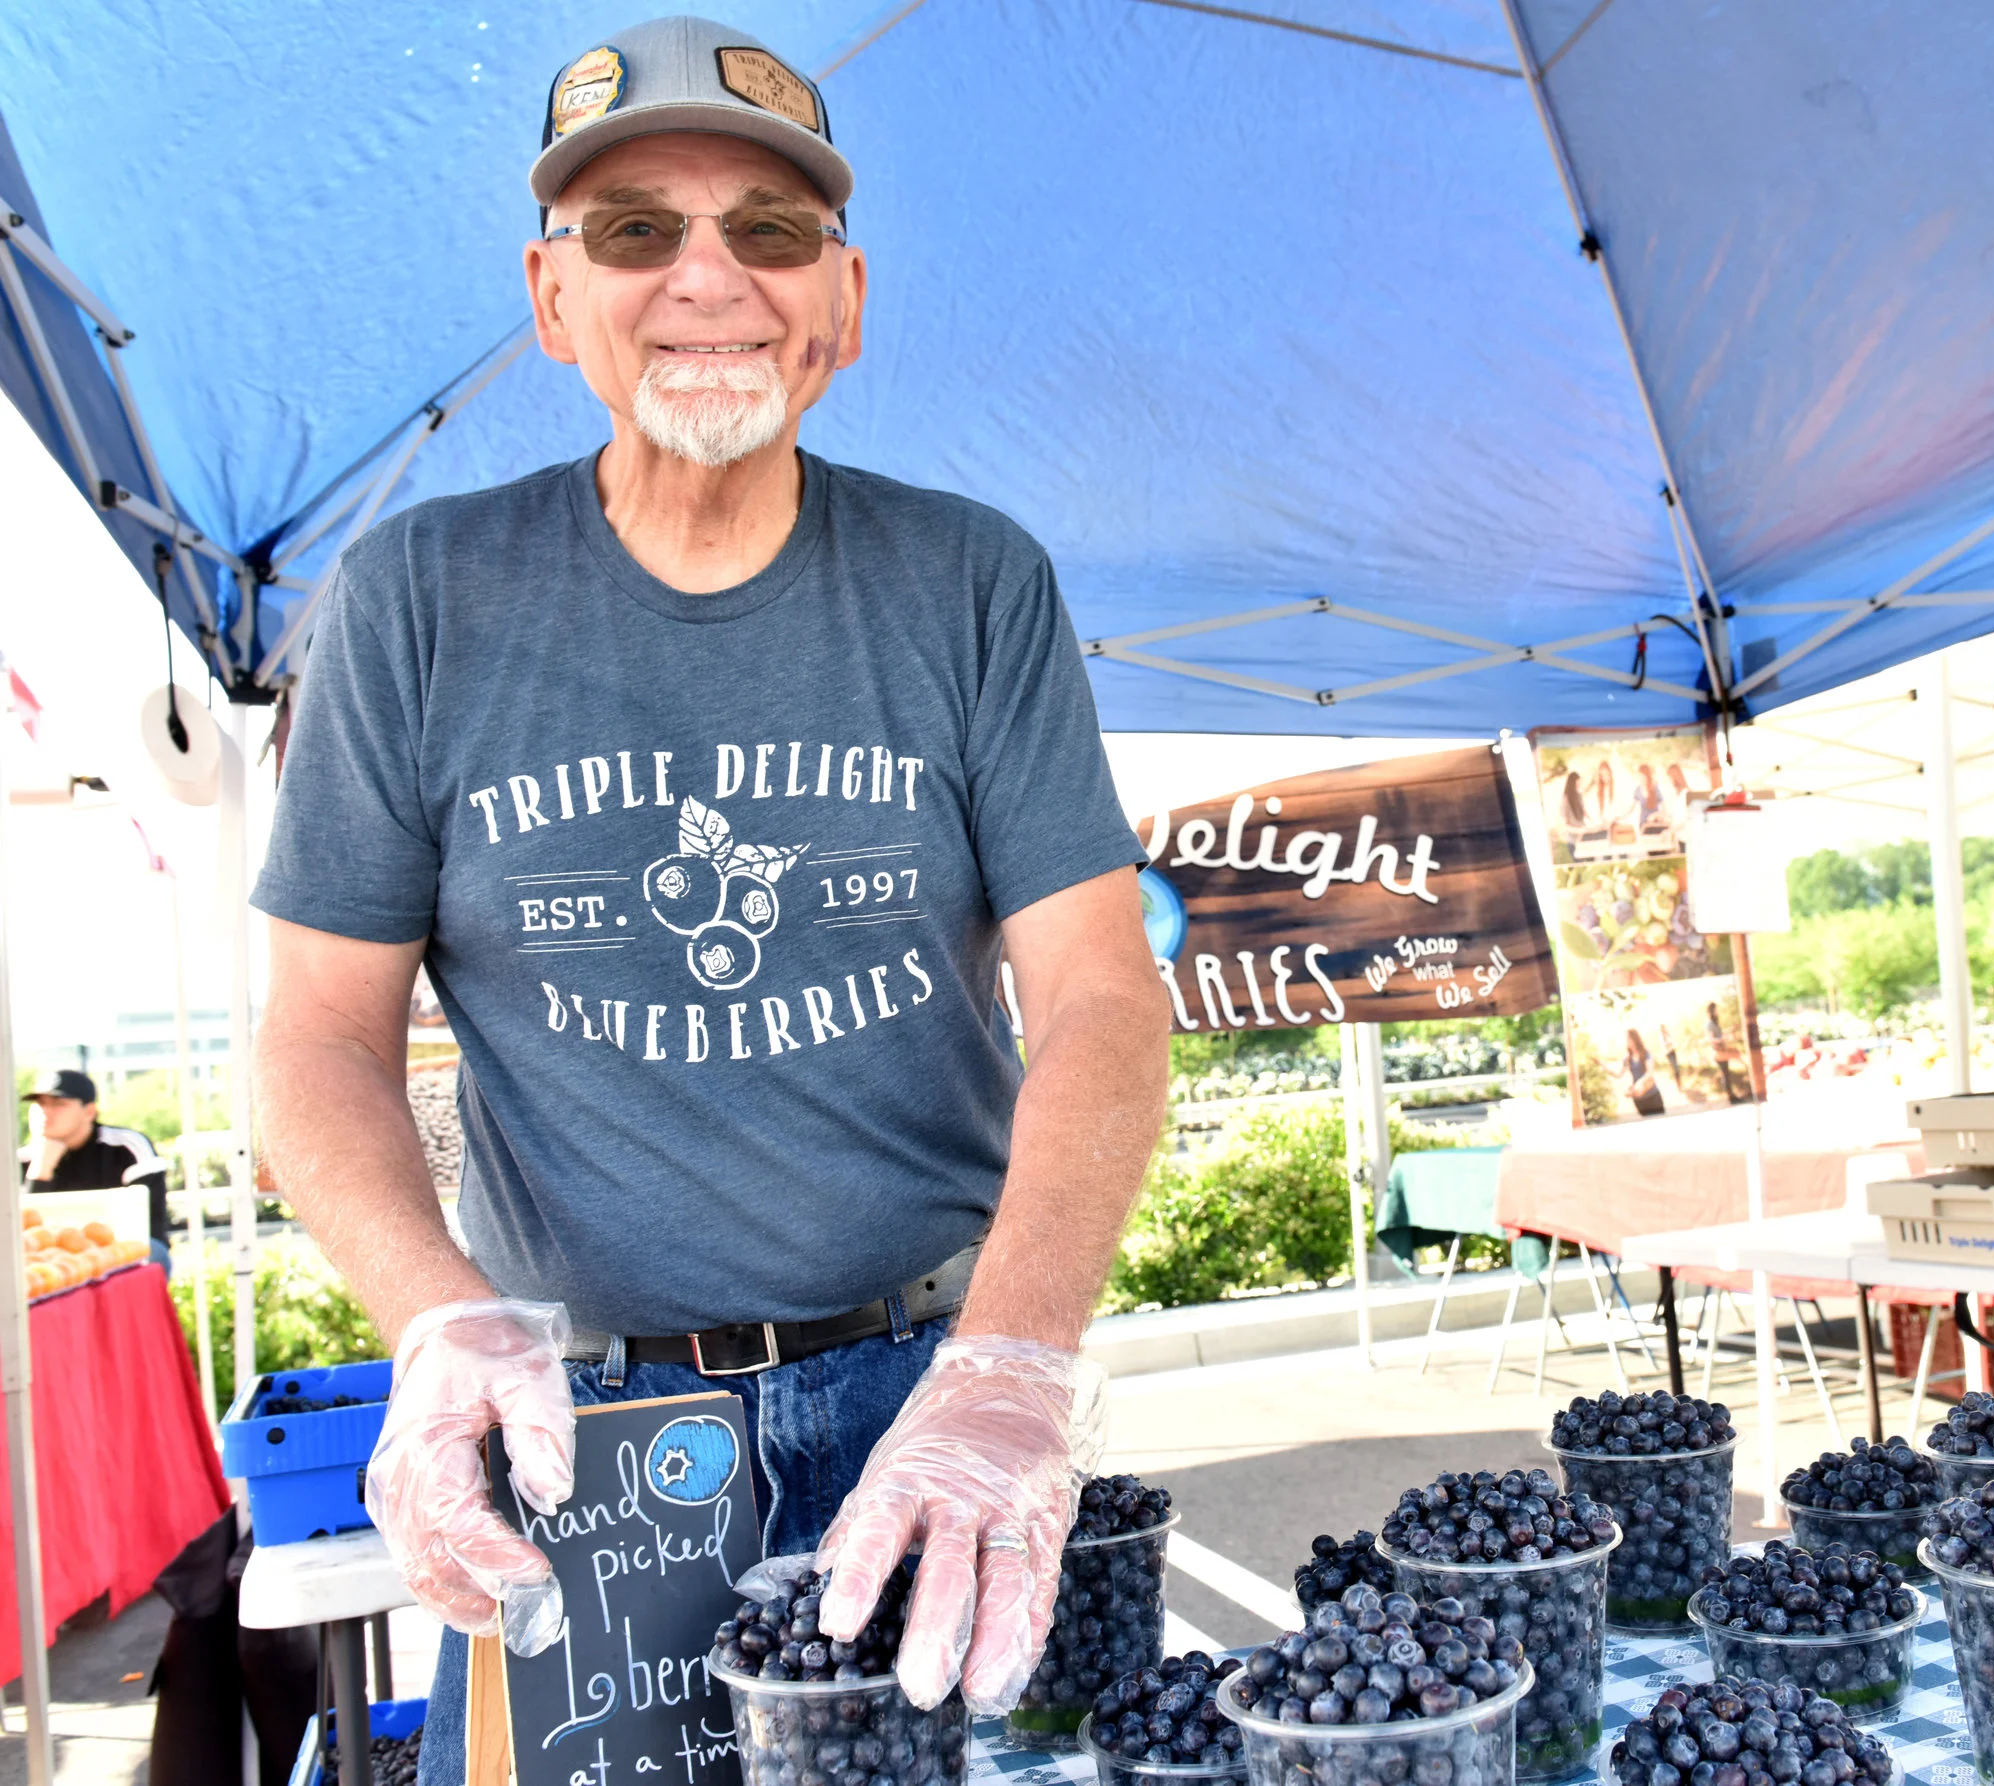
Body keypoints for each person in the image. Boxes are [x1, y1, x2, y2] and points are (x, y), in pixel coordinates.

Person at [249, 17, 1170, 1773]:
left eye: (768, 230)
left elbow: (1105, 999)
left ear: (844, 297)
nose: (706, 280)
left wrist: (1012, 1371)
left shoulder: (971, 583)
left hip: (933, 1396)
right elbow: (315, 1034)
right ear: (550, 295)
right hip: (581, 1436)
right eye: (632, 232)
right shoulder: (416, 599)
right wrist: (432, 1316)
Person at [21, 1068, 171, 1271]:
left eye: (58, 1104)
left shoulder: (126, 1148)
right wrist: (40, 1170)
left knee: (150, 1253)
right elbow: (27, 1235)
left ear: (89, 1112)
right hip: (54, 1259)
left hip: (126, 1249)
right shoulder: (19, 1161)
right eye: (40, 1104)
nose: (45, 1112)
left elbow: (145, 1224)